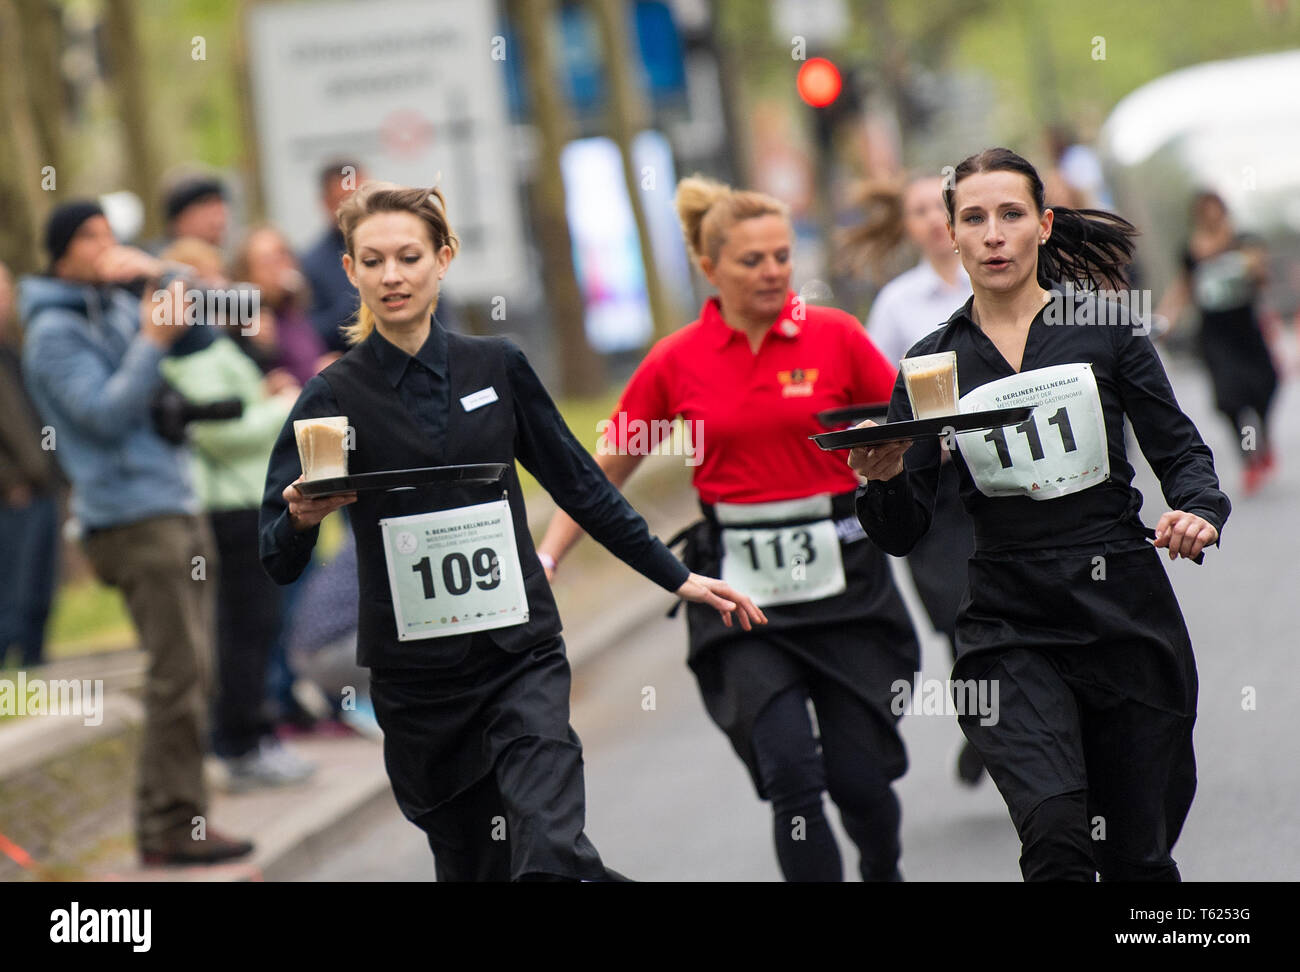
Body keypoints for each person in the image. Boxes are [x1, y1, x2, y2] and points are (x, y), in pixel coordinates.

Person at [259, 181, 764, 882]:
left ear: (444, 257)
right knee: (477, 868)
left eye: (409, 256)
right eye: (372, 261)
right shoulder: (333, 396)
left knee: (548, 852)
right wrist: (299, 519)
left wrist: (676, 575)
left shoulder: (496, 366)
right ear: (349, 272)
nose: (392, 275)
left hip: (517, 655)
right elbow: (276, 552)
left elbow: (582, 485)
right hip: (416, 683)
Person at [851, 148, 1230, 882]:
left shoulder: (1107, 332)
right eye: (974, 218)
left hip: (1123, 610)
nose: (993, 234)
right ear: (951, 237)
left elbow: (1180, 450)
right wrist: (884, 478)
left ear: (1044, 226)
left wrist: (1198, 509)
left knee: (1135, 858)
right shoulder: (934, 366)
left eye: (1011, 215)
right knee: (1056, 838)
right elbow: (902, 529)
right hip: (1009, 623)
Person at [539, 175, 921, 882]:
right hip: (741, 598)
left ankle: (883, 871)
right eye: (753, 260)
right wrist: (550, 558)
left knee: (861, 780)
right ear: (709, 267)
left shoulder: (834, 335)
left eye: (782, 255)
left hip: (847, 583)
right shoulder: (676, 360)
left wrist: (883, 439)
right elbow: (601, 475)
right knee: (793, 781)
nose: (774, 270)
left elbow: (909, 423)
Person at [20, 201, 253, 866]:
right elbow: (103, 415)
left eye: (109, 233)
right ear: (61, 253)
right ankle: (171, 826)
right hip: (127, 517)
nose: (105, 245)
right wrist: (151, 340)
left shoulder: (121, 301)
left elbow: (217, 330)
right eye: (89, 235)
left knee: (194, 669)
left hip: (174, 500)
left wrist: (165, 271)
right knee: (176, 673)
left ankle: (175, 820)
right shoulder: (52, 335)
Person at [157, 238, 317, 791]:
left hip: (254, 498)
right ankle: (242, 744)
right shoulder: (183, 353)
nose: (220, 291)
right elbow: (221, 434)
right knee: (243, 629)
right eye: (203, 283)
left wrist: (263, 378)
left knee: (262, 624)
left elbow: (242, 404)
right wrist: (279, 405)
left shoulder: (215, 342)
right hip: (229, 506)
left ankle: (259, 734)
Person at [848, 173, 982, 784]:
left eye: (942, 206)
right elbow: (879, 392)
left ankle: (1017, 712)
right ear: (907, 226)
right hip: (935, 485)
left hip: (999, 474)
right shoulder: (898, 305)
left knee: (1010, 596)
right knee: (956, 612)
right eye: (919, 210)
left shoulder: (998, 281)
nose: (933, 219)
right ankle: (986, 719)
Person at [1155, 191, 1279, 495]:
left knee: (1264, 386)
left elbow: (1261, 276)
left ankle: (1261, 437)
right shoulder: (1191, 250)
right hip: (1214, 335)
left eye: (1215, 211)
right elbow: (1183, 288)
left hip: (1246, 329)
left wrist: (1250, 261)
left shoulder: (1244, 240)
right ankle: (1249, 457)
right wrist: (1163, 319)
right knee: (1230, 398)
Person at [0, 260, 63, 669]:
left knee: (40, 589)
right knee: (12, 591)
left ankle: (32, 668)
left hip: (43, 486)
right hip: (12, 494)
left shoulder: (12, 346)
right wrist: (8, 480)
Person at [231, 225, 334, 386]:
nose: (279, 266)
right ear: (247, 274)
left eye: (282, 255)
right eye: (267, 262)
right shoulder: (250, 321)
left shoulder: (294, 312)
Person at [300, 160, 368, 354]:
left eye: (362, 198)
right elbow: (308, 331)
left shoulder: (396, 245)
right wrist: (357, 306)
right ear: (326, 203)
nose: (356, 209)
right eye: (345, 200)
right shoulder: (311, 265)